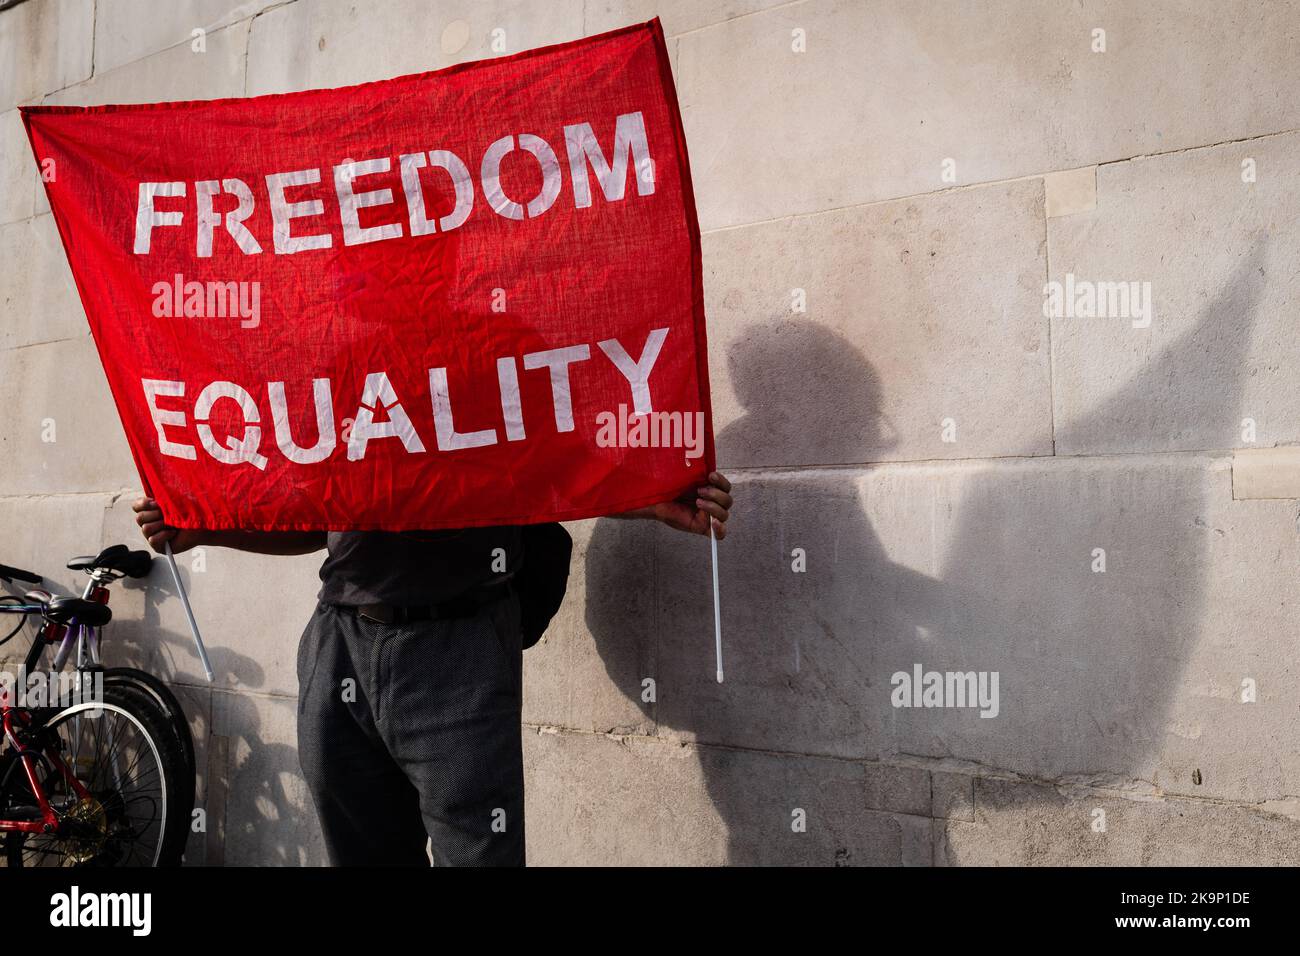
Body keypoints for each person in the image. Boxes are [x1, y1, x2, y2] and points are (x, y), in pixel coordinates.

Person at [133, 472, 733, 866]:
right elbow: (318, 519)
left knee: (477, 854)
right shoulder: (342, 365)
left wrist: (652, 495)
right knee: (362, 853)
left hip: (460, 645)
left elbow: (556, 466)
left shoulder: (494, 348)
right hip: (339, 641)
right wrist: (203, 528)